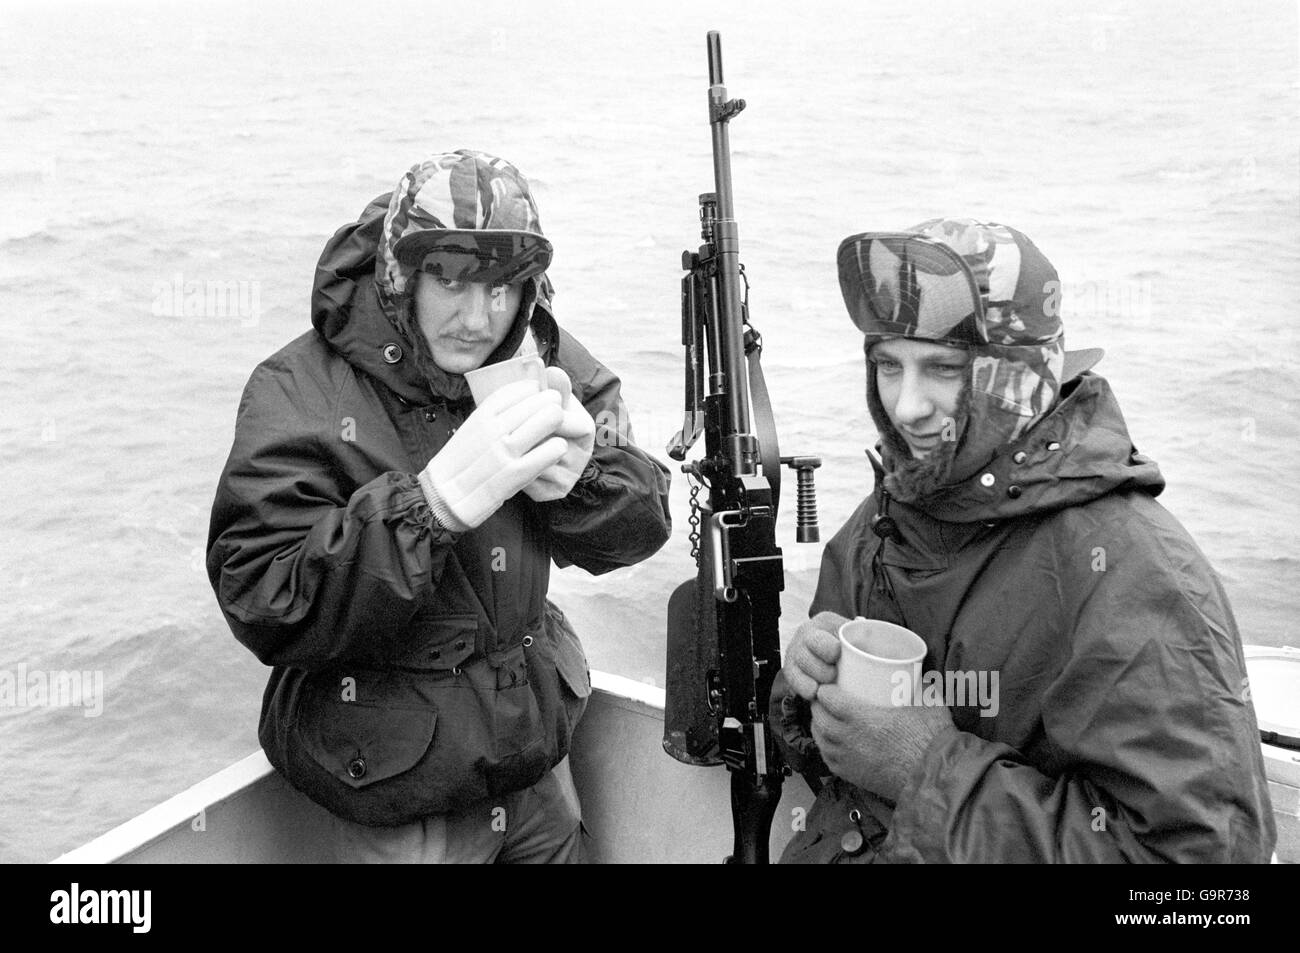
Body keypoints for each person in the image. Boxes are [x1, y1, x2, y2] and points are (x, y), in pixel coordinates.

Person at [206, 149, 672, 863]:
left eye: (501, 288)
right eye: (449, 282)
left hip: (531, 759)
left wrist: (586, 485)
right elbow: (262, 596)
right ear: (400, 276)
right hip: (399, 785)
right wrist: (428, 509)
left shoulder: (536, 353)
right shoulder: (297, 388)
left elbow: (646, 519)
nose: (477, 317)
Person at [773, 218, 1276, 863]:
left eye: (944, 370)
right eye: (887, 366)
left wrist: (927, 770)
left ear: (1016, 376)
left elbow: (1200, 877)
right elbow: (831, 757)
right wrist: (808, 688)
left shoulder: (1132, 570)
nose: (906, 406)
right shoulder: (893, 511)